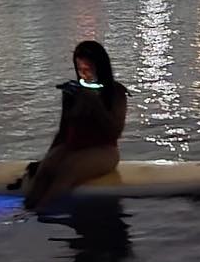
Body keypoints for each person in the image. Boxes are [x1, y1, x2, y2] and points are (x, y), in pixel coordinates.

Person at [22, 40, 128, 212]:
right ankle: (26, 208)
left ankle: (40, 210)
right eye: (80, 70)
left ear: (100, 67)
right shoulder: (72, 92)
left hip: (104, 149)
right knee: (45, 170)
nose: (84, 74)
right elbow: (63, 130)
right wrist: (50, 155)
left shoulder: (115, 92)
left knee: (67, 171)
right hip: (74, 144)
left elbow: (115, 132)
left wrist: (95, 103)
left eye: (88, 69)